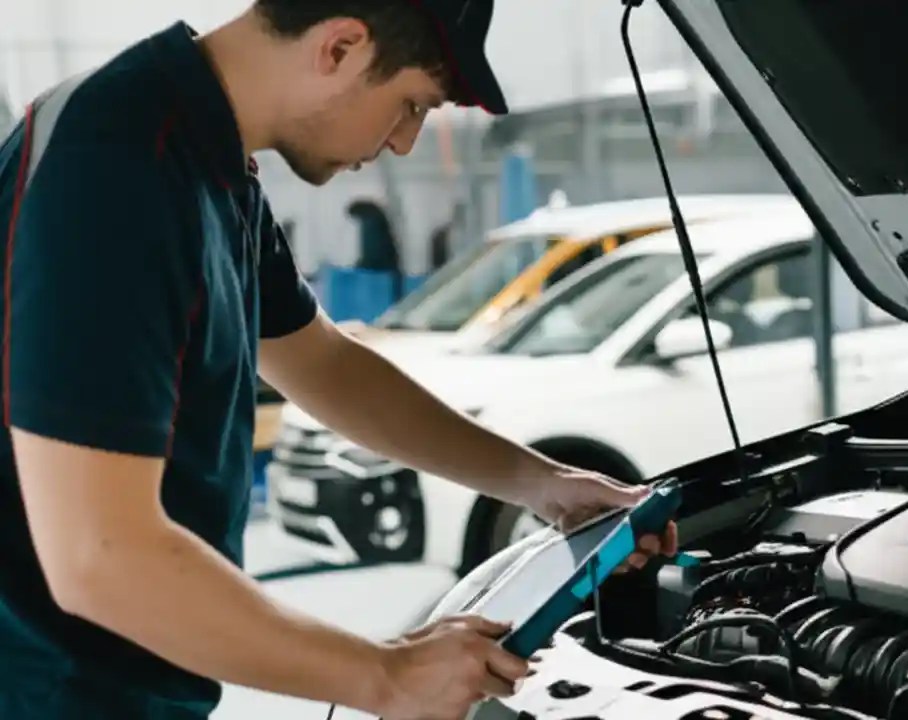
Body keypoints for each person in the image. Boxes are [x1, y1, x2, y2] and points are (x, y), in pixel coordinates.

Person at [0, 1, 677, 719]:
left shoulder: (206, 159)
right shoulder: (113, 165)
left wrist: (542, 482)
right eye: (413, 104)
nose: (406, 142)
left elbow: (321, 362)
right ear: (340, 48)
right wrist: (385, 676)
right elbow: (99, 556)